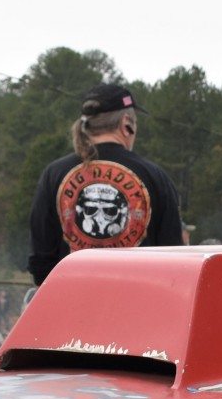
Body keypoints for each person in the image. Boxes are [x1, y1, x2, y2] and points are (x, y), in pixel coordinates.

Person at [27, 83, 185, 286]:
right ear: (126, 123)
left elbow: (40, 261)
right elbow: (173, 260)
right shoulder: (155, 177)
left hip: (71, 306)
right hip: (137, 307)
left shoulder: (54, 174)